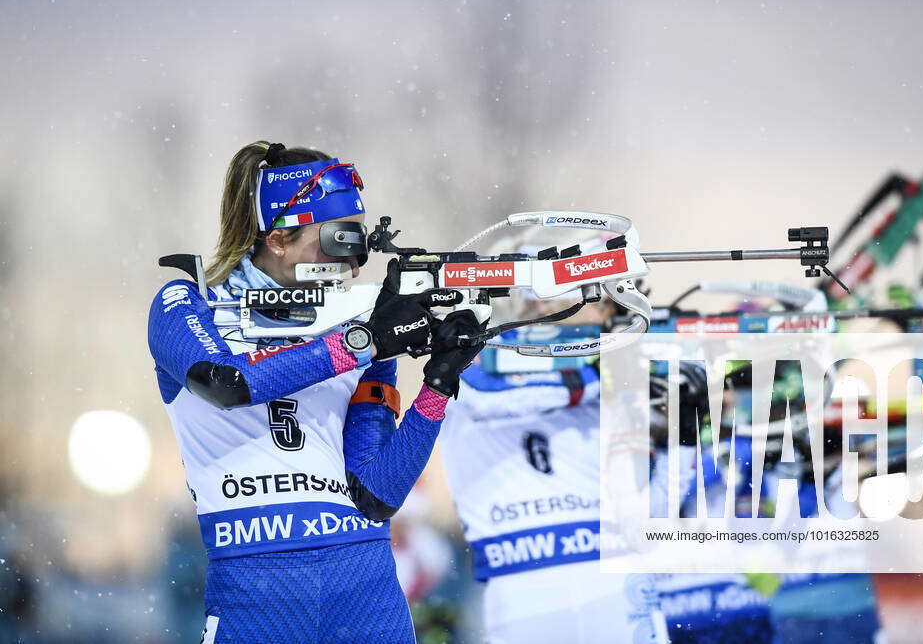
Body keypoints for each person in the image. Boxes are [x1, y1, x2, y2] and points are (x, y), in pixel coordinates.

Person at [147, 141, 483, 643]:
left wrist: (439, 382)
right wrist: (362, 342)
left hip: (366, 584)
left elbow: (376, 494)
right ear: (279, 239)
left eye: (360, 244)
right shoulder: (187, 300)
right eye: (337, 240)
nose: (352, 264)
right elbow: (226, 382)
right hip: (255, 589)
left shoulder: (357, 326)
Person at [439, 234, 773, 643]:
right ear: (544, 301)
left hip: (614, 587)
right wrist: (602, 368)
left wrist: (684, 430)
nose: (612, 320)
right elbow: (480, 394)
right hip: (522, 594)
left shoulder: (609, 390)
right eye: (603, 303)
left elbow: (644, 522)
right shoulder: (481, 357)